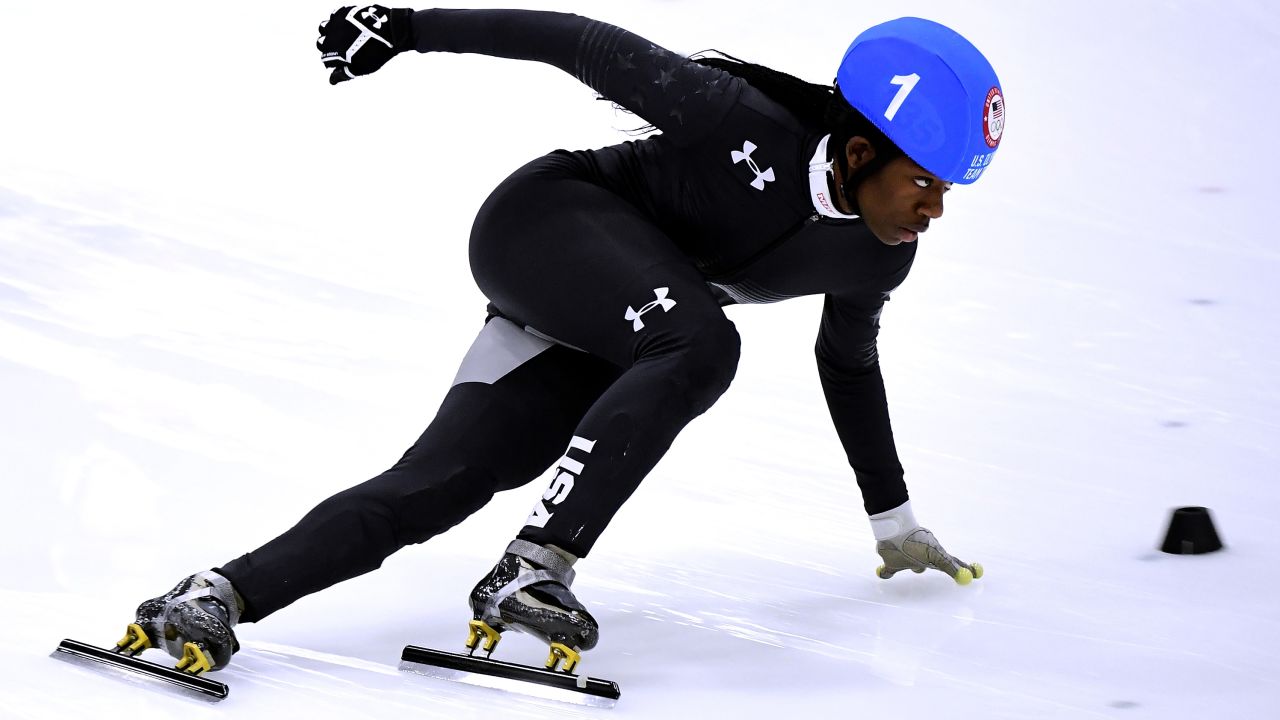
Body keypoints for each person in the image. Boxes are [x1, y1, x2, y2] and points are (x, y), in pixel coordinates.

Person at [115, 5, 1004, 678]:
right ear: (856, 154)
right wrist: (410, 25)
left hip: (616, 328)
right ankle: (536, 566)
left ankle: (210, 596)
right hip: (542, 227)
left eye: (948, 193)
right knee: (703, 341)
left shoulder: (877, 260)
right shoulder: (733, 116)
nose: (933, 211)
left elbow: (847, 365)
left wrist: (893, 522)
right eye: (922, 182)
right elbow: (574, 39)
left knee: (439, 486)